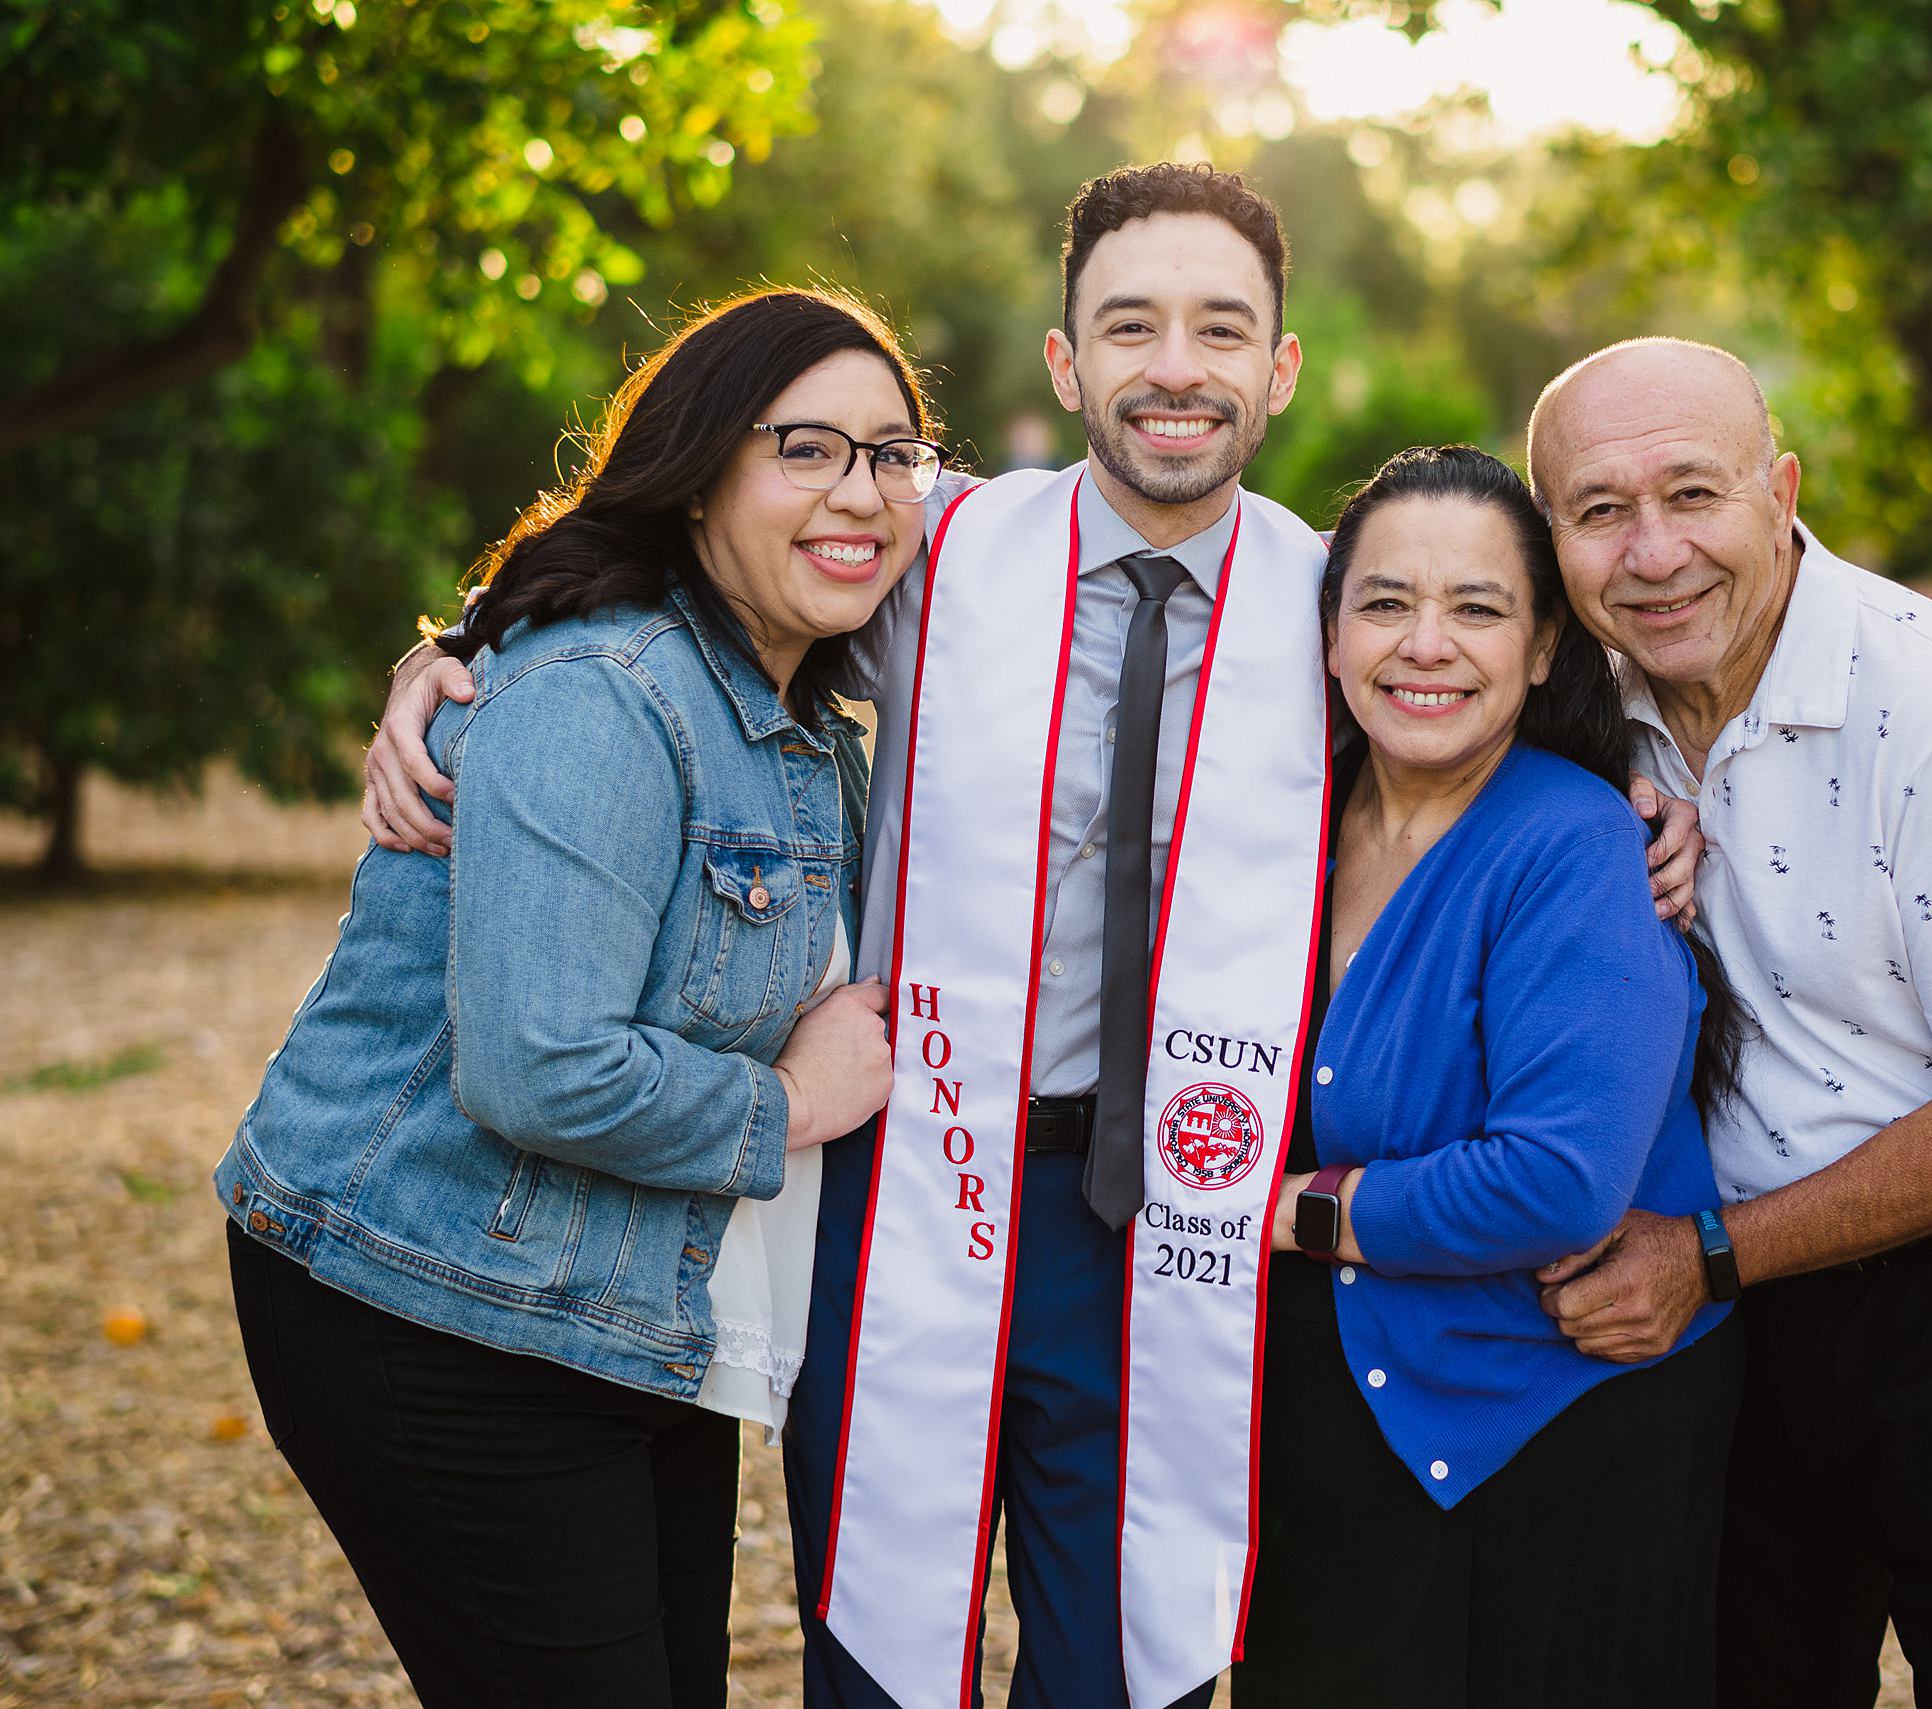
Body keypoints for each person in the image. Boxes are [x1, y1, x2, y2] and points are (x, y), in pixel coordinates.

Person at [358, 167, 1705, 1709]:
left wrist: (1650, 787)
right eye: (1131, 326)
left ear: (1281, 371)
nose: (1176, 366)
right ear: (1067, 364)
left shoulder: (1328, 602)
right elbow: (689, 551)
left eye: (1221, 328)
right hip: (919, 1169)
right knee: (880, 1627)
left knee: (1129, 1659)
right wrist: (464, 645)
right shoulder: (940, 549)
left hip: (1185, 1199)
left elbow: (1472, 684)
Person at [214, 286, 932, 1709]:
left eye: (893, 453)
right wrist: (791, 1101)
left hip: (610, 1304)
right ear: (699, 469)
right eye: (804, 449)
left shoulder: (781, 701)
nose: (859, 489)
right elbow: (541, 1067)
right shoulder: (606, 688)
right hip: (420, 1295)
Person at [1526, 337, 1932, 1706]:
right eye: (1599, 512)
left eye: (1694, 495)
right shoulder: (1588, 712)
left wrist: (1703, 1257)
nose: (1652, 554)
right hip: (1752, 1330)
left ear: (1782, 492)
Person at [1232, 446, 1746, 1706]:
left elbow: (1558, 1181)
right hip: (1324, 1428)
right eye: (1386, 602)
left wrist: (1304, 1213)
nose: (1426, 645)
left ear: (1542, 649)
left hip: (1548, 1426)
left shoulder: (1577, 844)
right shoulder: (1275, 826)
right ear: (1332, 633)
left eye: (1477, 608)